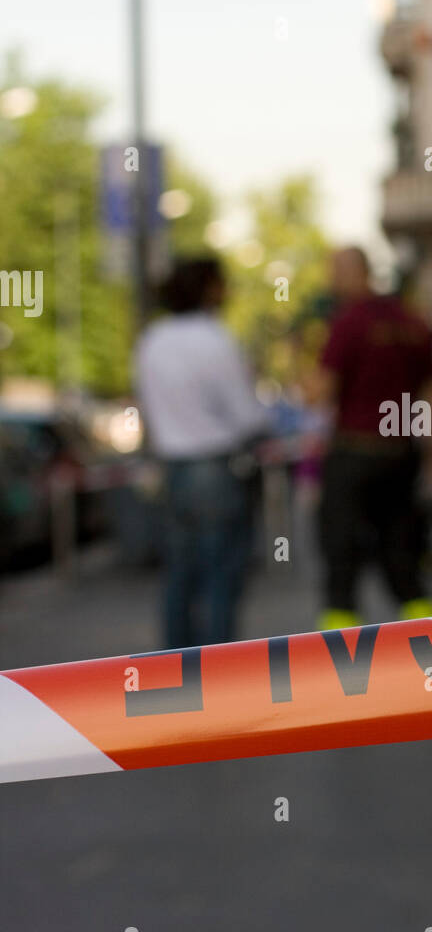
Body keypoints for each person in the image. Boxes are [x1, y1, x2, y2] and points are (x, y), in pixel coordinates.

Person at [135, 257, 270, 649]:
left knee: (178, 577)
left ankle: (175, 672)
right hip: (216, 468)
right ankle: (217, 677)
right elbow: (246, 415)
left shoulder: (152, 340)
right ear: (209, 288)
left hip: (173, 469)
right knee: (220, 579)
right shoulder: (217, 340)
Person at [313, 246, 432, 630]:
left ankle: (339, 652)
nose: (330, 280)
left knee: (341, 556)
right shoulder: (411, 322)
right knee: (402, 554)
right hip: (402, 455)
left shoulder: (348, 322)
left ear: (355, 272)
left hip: (354, 452)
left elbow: (322, 391)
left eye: (335, 270)